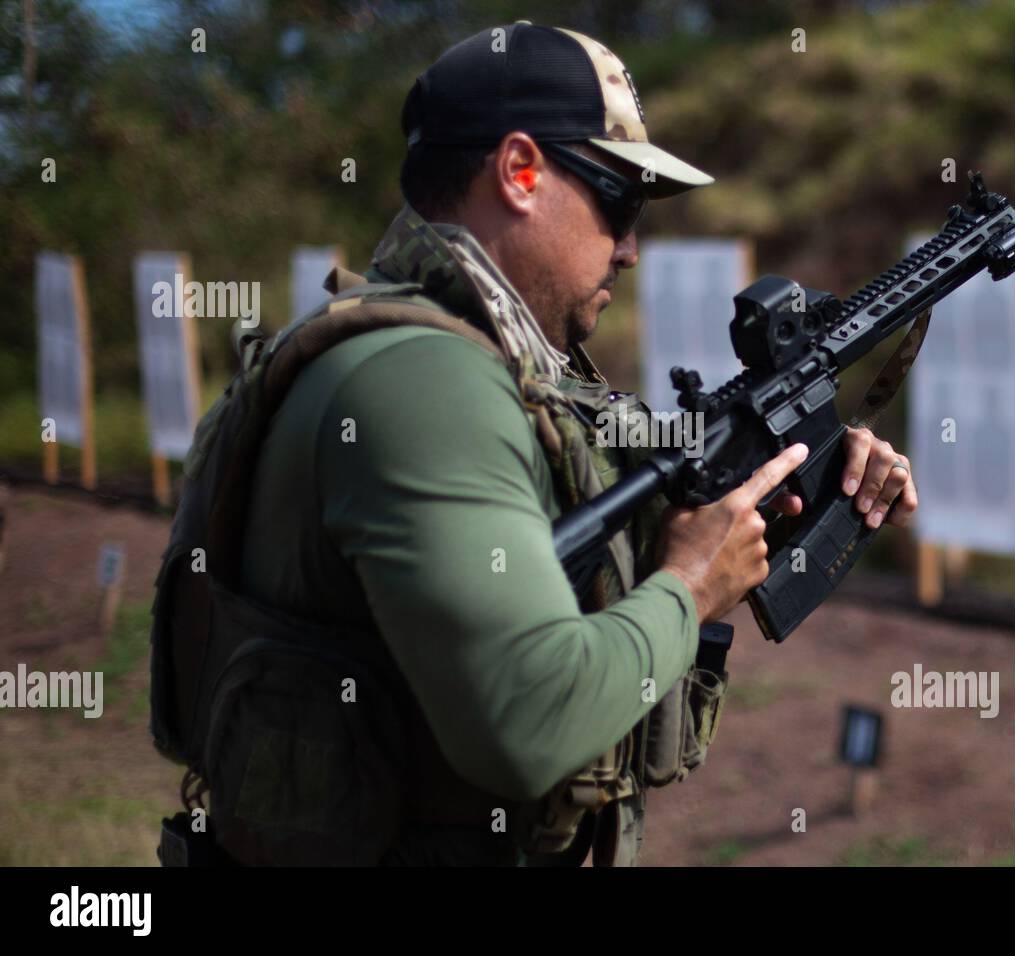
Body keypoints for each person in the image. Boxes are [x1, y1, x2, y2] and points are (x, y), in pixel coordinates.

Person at [163, 21, 918, 867]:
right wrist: (691, 588)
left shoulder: (441, 363)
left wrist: (793, 487)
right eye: (620, 202)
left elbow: (575, 520)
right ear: (520, 172)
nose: (630, 250)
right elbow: (525, 724)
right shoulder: (425, 383)